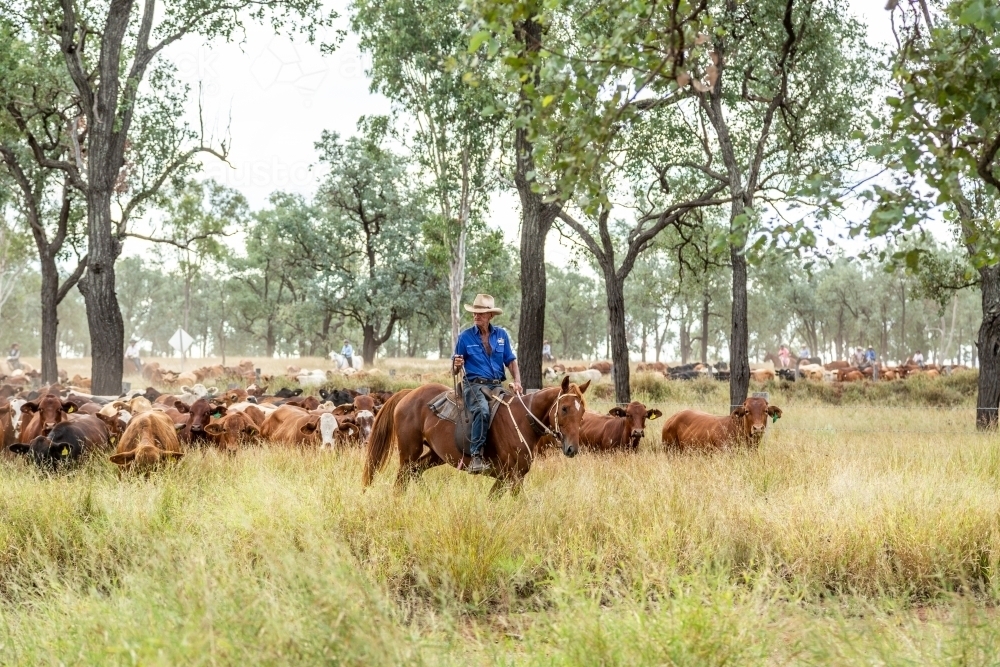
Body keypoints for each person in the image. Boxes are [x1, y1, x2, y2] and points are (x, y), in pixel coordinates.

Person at [452, 293, 522, 475]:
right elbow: (454, 369)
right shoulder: (464, 337)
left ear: (491, 315)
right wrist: (456, 365)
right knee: (482, 411)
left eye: (481, 313)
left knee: (513, 411)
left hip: (497, 385)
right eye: (475, 313)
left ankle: (511, 451)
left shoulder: (502, 335)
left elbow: (511, 361)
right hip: (473, 385)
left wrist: (517, 381)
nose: (476, 316)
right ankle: (476, 456)